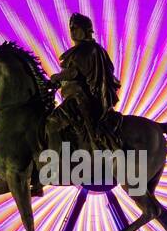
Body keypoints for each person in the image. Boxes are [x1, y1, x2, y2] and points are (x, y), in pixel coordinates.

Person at [45, 13, 121, 158]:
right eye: (71, 28)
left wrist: (56, 77)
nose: (72, 31)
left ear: (86, 30)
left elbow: (75, 72)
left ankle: (53, 163)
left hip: (82, 97)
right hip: (75, 96)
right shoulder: (82, 50)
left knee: (52, 122)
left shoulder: (88, 49)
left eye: (76, 28)